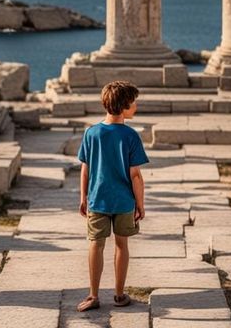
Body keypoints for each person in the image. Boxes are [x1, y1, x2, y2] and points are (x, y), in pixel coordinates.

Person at [77, 78, 149, 312]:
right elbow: (135, 175)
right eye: (134, 103)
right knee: (121, 245)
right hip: (124, 201)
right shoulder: (130, 136)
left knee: (95, 245)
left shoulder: (92, 133)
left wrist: (83, 197)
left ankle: (93, 295)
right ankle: (119, 295)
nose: (136, 106)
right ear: (125, 105)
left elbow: (85, 168)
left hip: (97, 199)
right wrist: (140, 204)